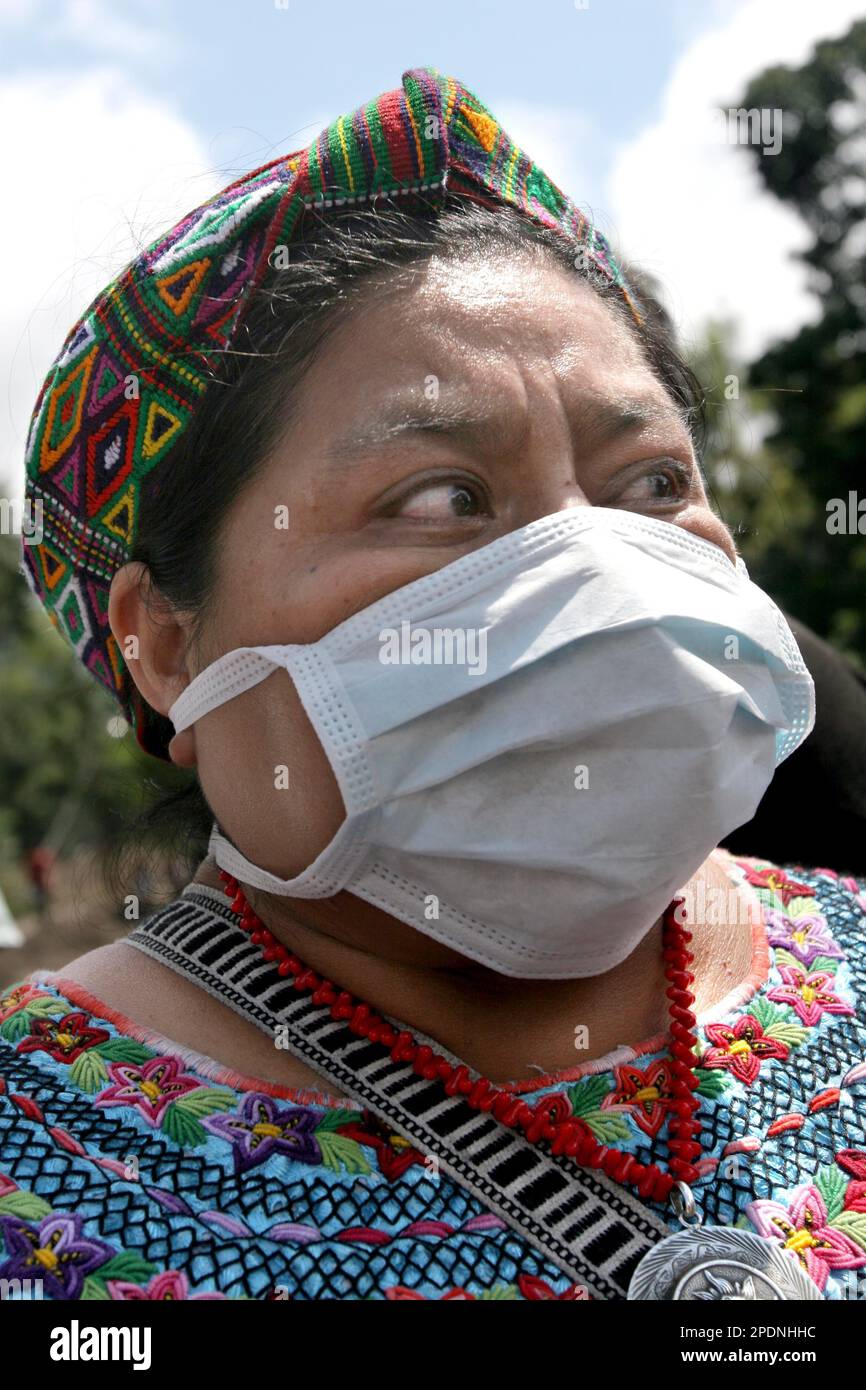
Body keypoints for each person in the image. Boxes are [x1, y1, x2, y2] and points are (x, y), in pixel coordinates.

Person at [3, 66, 864, 1303]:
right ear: (168, 643)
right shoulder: (36, 1157)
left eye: (653, 486)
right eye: (444, 500)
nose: (603, 575)